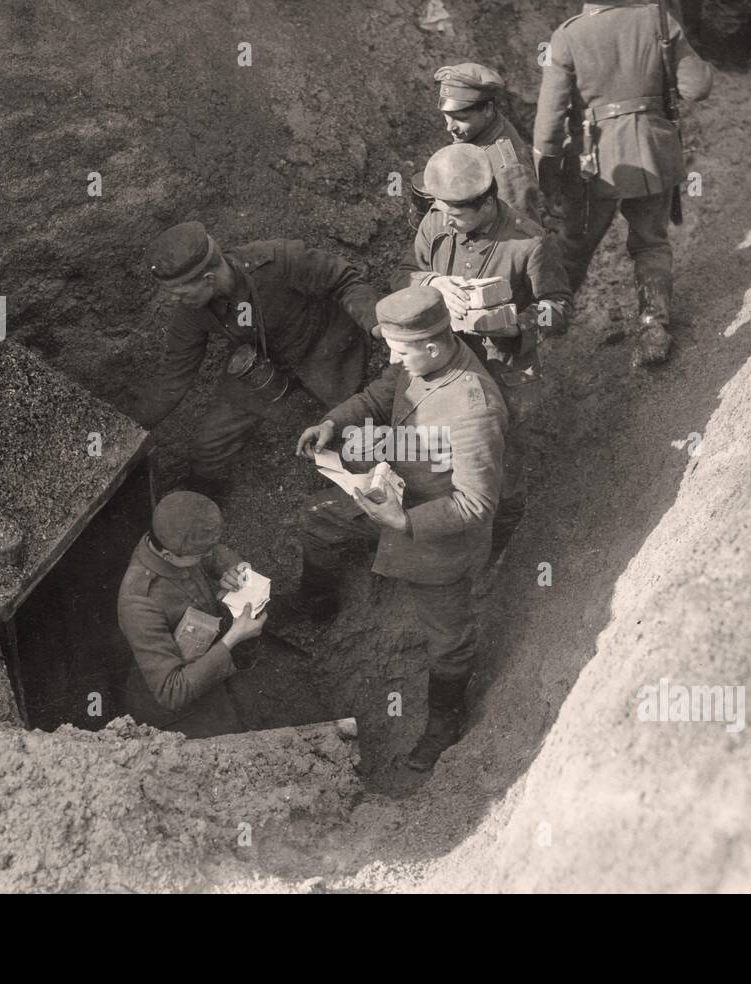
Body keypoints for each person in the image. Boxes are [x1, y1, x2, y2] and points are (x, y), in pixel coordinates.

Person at [292, 286, 508, 771]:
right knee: (318, 519)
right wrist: (334, 421)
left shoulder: (473, 408)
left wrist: (406, 521)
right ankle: (316, 606)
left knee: (448, 641)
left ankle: (445, 721)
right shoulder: (422, 358)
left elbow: (476, 503)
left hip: (440, 538)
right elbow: (380, 392)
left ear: (433, 346)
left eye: (401, 350)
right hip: (394, 493)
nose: (394, 358)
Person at [394, 143, 572, 563]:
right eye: (442, 212)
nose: (448, 224)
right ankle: (441, 528)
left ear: (486, 202)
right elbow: (401, 273)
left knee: (503, 470)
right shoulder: (436, 224)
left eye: (456, 215)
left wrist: (515, 322)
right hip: (447, 361)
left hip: (503, 367)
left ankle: (498, 549)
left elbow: (560, 310)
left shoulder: (529, 242)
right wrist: (431, 282)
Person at [136, 222, 381, 501]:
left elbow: (343, 279)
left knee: (352, 440)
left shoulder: (278, 260)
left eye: (180, 293)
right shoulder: (193, 310)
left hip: (325, 353)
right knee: (209, 444)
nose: (173, 301)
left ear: (207, 279)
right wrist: (132, 426)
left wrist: (376, 323)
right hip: (261, 368)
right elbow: (174, 375)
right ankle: (201, 510)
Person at [533, 1, 713, 365]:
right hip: (653, 150)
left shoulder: (567, 35)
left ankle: (546, 329)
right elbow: (696, 87)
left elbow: (549, 125)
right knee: (650, 244)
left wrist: (548, 180)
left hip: (594, 162)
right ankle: (653, 326)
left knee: (573, 245)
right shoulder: (659, 20)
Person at [116, 491, 265, 735]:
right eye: (199, 555)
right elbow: (171, 692)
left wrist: (235, 569)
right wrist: (233, 638)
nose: (206, 556)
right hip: (172, 701)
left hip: (204, 649)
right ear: (166, 554)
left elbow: (213, 552)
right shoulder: (139, 603)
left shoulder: (173, 540)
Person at [412, 62, 541, 223]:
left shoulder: (507, 170)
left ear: (487, 109)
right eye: (447, 115)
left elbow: (522, 235)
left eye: (460, 118)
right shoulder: (479, 130)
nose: (449, 126)